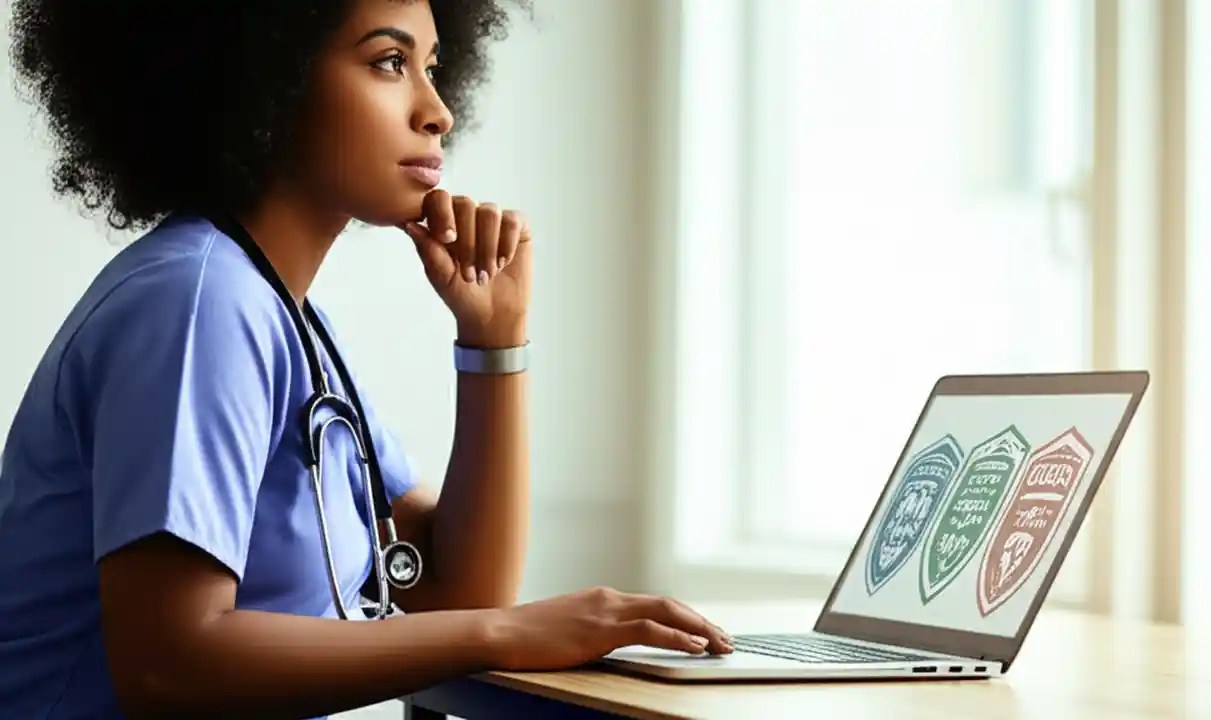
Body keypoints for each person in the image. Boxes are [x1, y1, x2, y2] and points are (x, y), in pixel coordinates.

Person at [0, 1, 733, 717]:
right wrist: (509, 633)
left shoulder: (283, 314)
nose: (437, 111)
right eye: (390, 62)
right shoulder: (198, 304)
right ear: (267, 76)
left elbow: (455, 592)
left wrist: (495, 341)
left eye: (433, 67)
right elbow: (168, 665)